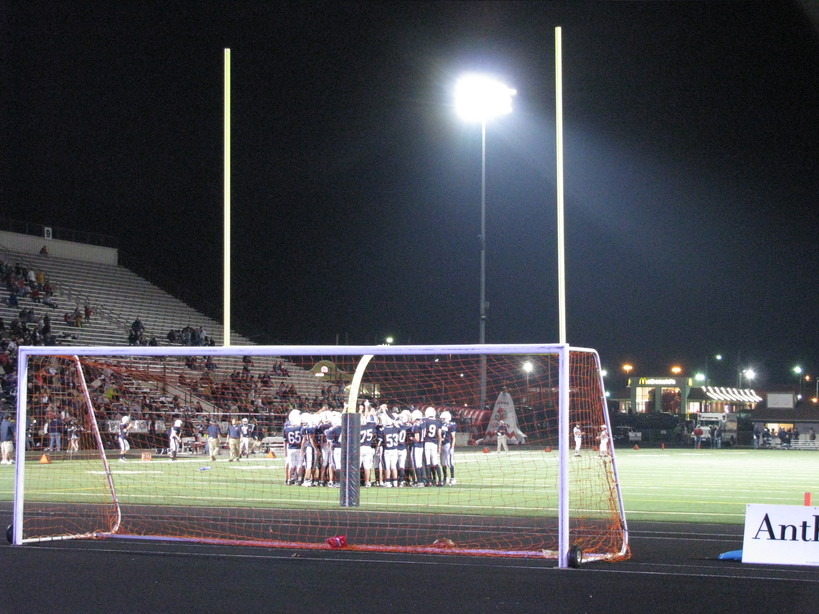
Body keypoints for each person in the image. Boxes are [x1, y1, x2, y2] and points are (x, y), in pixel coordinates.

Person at [440, 410, 456, 485]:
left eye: (443, 418)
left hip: (448, 445)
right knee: (443, 463)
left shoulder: (451, 425)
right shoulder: (441, 425)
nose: (442, 420)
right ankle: (445, 477)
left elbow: (453, 437)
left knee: (450, 462)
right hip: (442, 445)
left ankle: (452, 478)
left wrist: (452, 447)